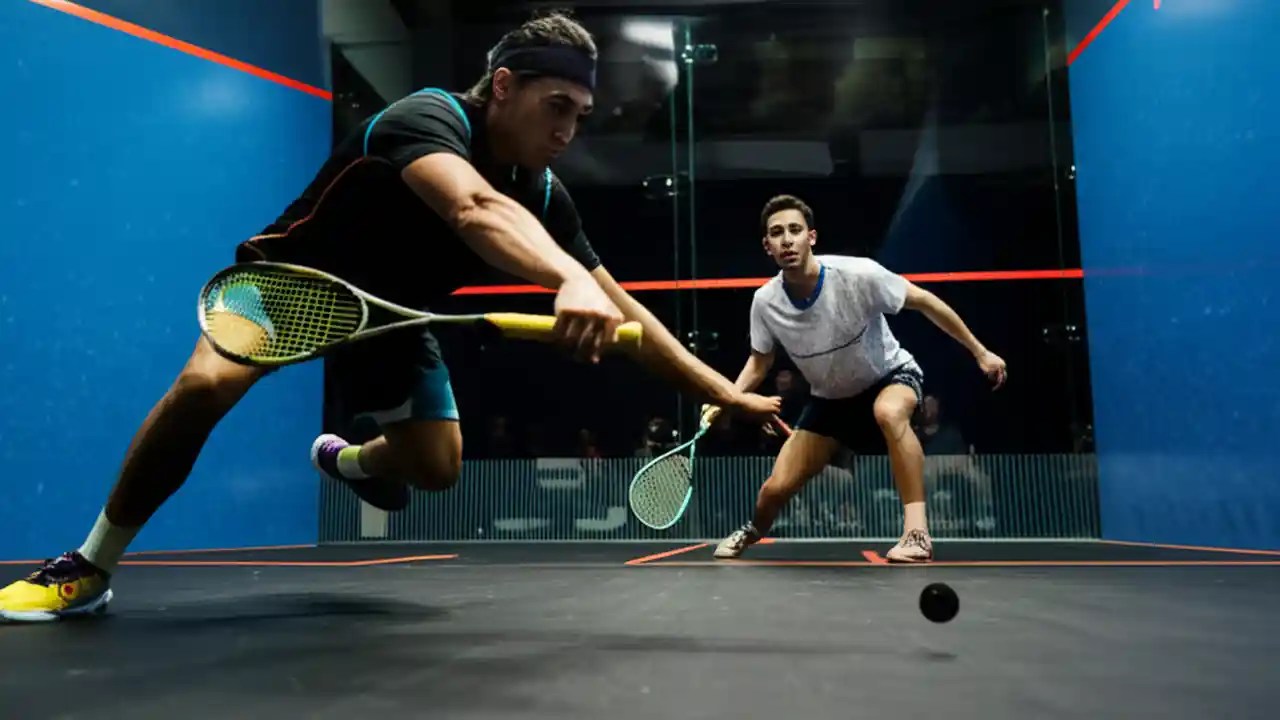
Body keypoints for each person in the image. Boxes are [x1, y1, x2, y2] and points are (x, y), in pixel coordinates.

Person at [0, 11, 779, 622]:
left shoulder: (545, 196)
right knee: (203, 388)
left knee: (436, 468)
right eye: (556, 106)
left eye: (580, 113)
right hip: (293, 285)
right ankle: (88, 568)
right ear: (502, 86)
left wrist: (725, 392)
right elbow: (472, 208)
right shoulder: (425, 118)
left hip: (395, 321)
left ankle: (345, 461)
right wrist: (567, 275)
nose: (569, 131)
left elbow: (623, 310)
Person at [707, 194, 1006, 563]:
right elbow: (759, 363)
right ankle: (752, 531)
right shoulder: (765, 302)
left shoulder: (858, 274)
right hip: (829, 400)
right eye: (777, 233)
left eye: (795, 230)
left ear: (811, 237)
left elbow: (926, 300)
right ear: (767, 246)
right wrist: (727, 399)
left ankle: (917, 534)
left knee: (889, 413)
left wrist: (980, 351)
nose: (787, 240)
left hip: (889, 376)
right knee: (775, 489)